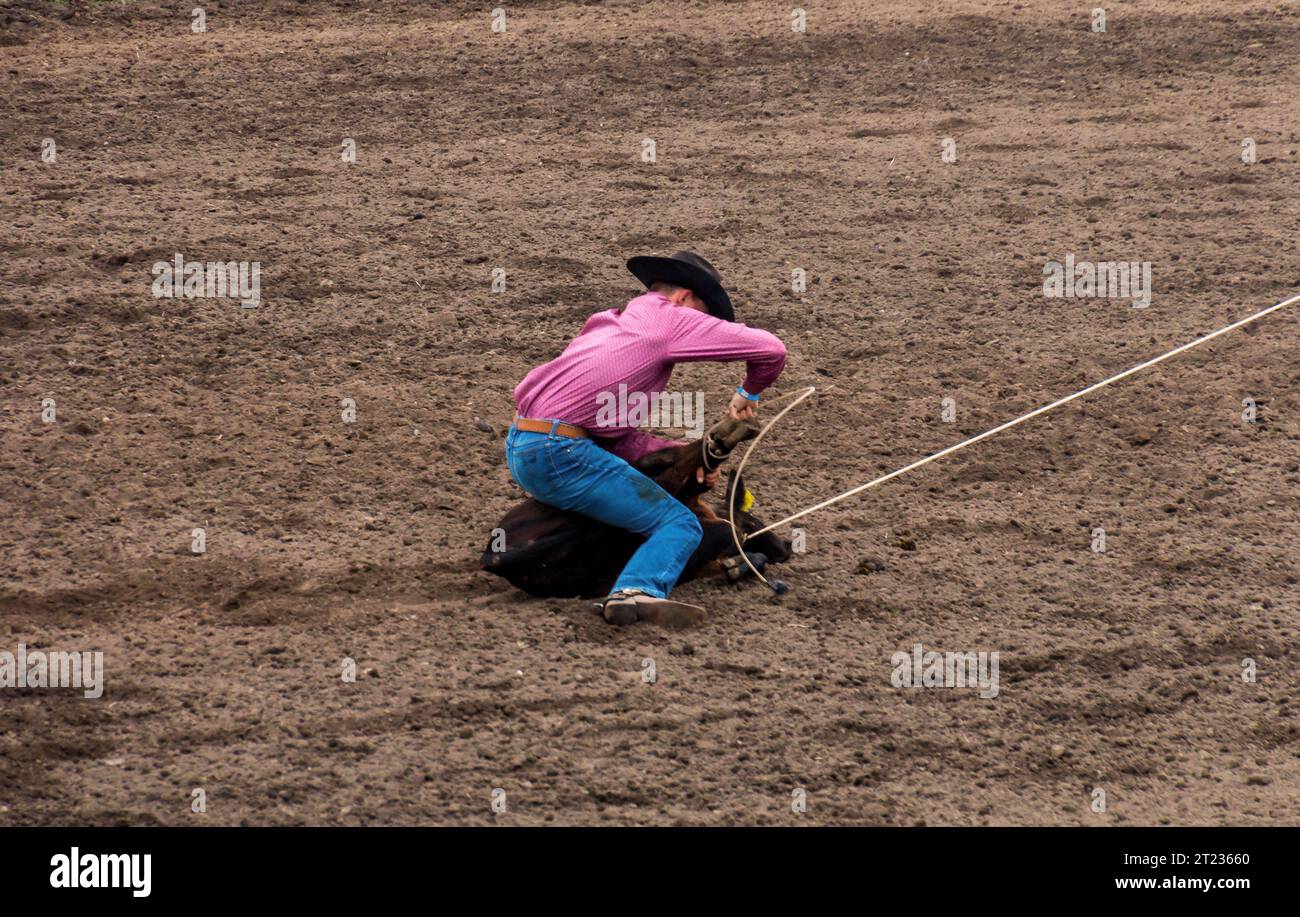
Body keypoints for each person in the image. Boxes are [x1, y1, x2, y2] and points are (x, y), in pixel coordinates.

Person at [507, 251, 787, 625]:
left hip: (525, 445)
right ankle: (636, 591)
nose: (700, 327)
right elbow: (771, 349)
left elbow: (615, 437)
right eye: (702, 316)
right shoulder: (668, 318)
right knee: (679, 524)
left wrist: (686, 456)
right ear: (683, 298)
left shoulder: (607, 324)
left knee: (627, 511)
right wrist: (749, 393)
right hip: (563, 452)